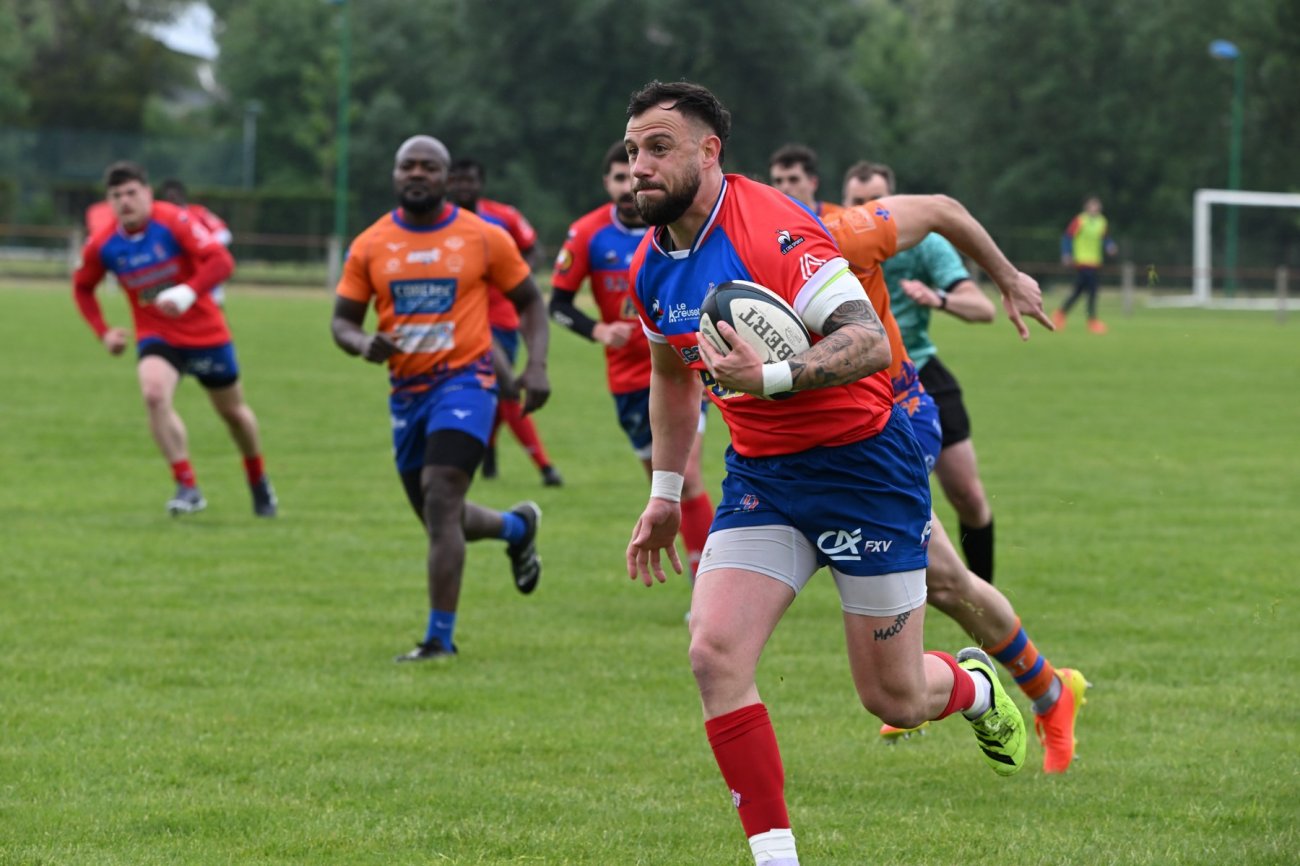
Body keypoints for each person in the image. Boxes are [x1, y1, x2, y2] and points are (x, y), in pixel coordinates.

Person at [622, 80, 1046, 866]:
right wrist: (664, 493)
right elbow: (672, 379)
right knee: (713, 652)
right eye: (632, 149)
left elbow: (868, 343)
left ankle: (979, 688)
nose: (637, 166)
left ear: (709, 153)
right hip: (765, 480)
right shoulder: (653, 265)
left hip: (864, 468)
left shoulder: (775, 228)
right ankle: (776, 858)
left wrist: (771, 379)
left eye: (658, 148)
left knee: (892, 697)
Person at [821, 199, 1088, 774]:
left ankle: (915, 687)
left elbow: (942, 210)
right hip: (837, 442)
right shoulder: (733, 261)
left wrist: (1009, 277)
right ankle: (1046, 692)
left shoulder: (843, 233)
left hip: (896, 420)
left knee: (929, 573)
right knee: (946, 581)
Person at [331, 136, 550, 662]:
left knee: (443, 494)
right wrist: (364, 343)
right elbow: (342, 321)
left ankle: (439, 640)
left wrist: (535, 366)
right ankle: (516, 527)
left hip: (467, 381)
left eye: (430, 167)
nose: (418, 173)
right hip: (407, 393)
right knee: (439, 516)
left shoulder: (482, 236)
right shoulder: (369, 244)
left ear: (446, 178)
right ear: (395, 174)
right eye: (409, 165)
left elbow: (530, 302)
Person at [73, 161, 277, 518]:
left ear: (148, 193)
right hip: (157, 334)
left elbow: (221, 261)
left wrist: (188, 291)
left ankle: (258, 481)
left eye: (132, 192)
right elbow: (82, 287)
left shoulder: (173, 222)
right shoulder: (104, 243)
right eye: (116, 195)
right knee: (154, 394)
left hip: (206, 333)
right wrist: (104, 332)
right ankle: (187, 485)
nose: (125, 201)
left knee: (233, 414)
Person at [549, 141, 715, 580]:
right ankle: (706, 568)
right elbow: (558, 305)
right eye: (619, 177)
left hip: (683, 369)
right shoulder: (586, 234)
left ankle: (710, 579)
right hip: (627, 382)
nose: (628, 184)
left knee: (689, 475)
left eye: (632, 176)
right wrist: (598, 331)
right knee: (664, 487)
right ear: (607, 182)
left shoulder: (674, 227)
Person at [842, 160, 999, 585]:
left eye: (874, 200)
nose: (864, 209)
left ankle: (983, 592)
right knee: (896, 498)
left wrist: (939, 299)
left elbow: (983, 309)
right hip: (860, 383)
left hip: (921, 372)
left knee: (967, 495)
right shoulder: (831, 241)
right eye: (856, 202)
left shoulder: (923, 245)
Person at [446, 157, 563, 486]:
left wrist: (512, 276)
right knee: (502, 388)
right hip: (458, 322)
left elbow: (533, 249)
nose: (463, 186)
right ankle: (545, 467)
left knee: (500, 389)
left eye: (469, 180)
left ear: (480, 183)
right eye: (457, 180)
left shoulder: (503, 217)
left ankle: (493, 448)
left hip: (502, 319)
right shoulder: (439, 223)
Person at [158, 179, 233, 307]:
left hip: (203, 274)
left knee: (212, 309)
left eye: (174, 196)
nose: (172, 200)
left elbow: (224, 234)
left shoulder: (199, 212)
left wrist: (202, 247)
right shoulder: (160, 220)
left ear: (182, 196)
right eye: (168, 197)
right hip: (175, 277)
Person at [1055, 195, 1118, 333]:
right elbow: (1067, 237)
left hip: (1095, 262)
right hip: (1082, 261)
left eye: (1097, 205)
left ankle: (1060, 314)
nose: (1095, 208)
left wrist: (1110, 246)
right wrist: (1066, 253)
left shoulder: (1102, 222)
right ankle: (1092, 321)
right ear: (1086, 207)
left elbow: (1105, 238)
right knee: (1093, 291)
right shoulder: (1080, 220)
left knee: (1078, 291)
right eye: (1092, 205)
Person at [767, 143, 842, 219]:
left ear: (813, 183)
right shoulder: (766, 220)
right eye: (778, 181)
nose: (785, 187)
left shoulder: (839, 218)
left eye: (793, 180)